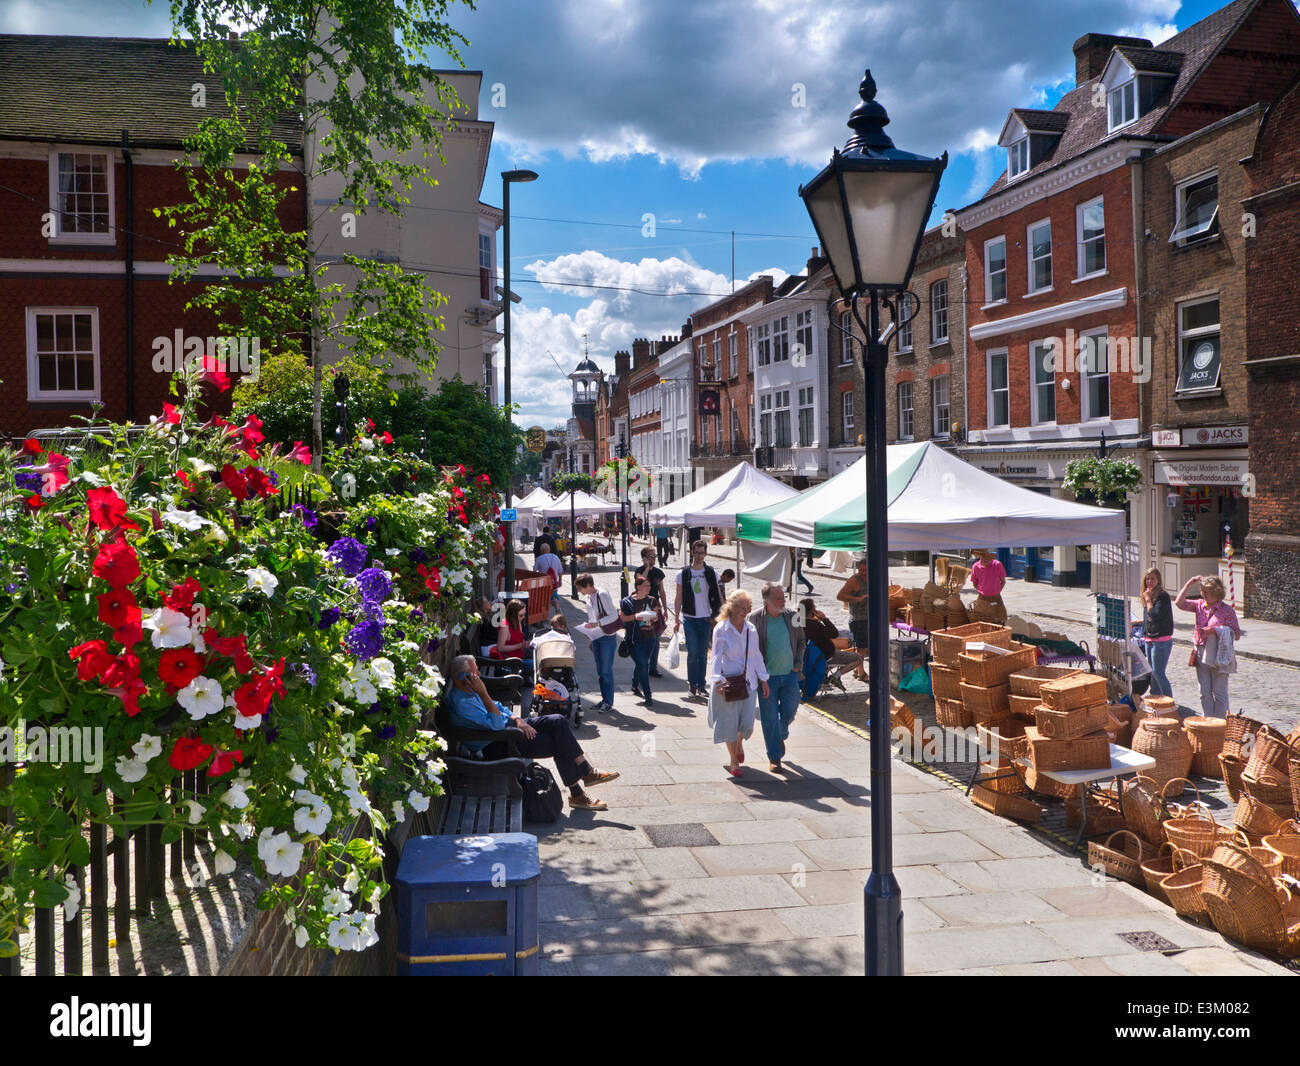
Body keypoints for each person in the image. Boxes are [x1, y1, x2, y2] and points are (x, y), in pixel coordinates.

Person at [448, 655, 617, 811]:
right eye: (475, 671)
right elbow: (497, 724)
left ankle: (586, 773)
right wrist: (484, 693)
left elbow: (498, 707)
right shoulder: (464, 701)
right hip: (497, 743)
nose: (478, 673)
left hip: (509, 726)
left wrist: (518, 720)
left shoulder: (469, 691)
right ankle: (578, 792)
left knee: (558, 720)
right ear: (465, 678)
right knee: (558, 742)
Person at [708, 590, 769, 778]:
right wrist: (718, 680)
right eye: (743, 608)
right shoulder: (721, 629)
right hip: (728, 682)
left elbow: (756, 655)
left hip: (749, 681)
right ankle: (733, 760)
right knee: (729, 723)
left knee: (747, 723)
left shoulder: (751, 629)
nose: (746, 611)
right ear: (732, 608)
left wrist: (764, 679)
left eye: (748, 608)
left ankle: (739, 742)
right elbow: (716, 656)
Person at [750, 583, 805, 773]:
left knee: (790, 711)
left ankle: (780, 733)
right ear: (767, 601)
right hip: (767, 678)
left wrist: (798, 665)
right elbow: (751, 648)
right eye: (778, 599)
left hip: (790, 675)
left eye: (784, 597)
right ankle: (774, 757)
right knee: (769, 718)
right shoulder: (755, 619)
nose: (783, 601)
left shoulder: (793, 616)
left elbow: (801, 641)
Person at [1174, 574, 1241, 718]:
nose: (1203, 594)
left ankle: (1221, 724)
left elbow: (1236, 634)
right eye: (1202, 591)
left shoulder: (1227, 611)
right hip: (1201, 652)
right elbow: (1179, 603)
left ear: (1216, 592)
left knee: (1219, 692)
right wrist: (1190, 582)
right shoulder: (1199, 605)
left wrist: (1216, 631)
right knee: (1204, 692)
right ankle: (1208, 722)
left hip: (1219, 654)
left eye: (1207, 592)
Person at [674, 540, 723, 698]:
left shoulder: (710, 573)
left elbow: (718, 594)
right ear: (692, 553)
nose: (700, 556)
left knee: (703, 653)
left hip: (706, 619)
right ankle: (692, 684)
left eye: (703, 553)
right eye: (697, 552)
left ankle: (701, 685)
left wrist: (724, 613)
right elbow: (678, 596)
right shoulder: (683, 574)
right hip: (689, 618)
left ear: (706, 554)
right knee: (693, 652)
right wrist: (676, 618)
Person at [575, 575, 620, 713]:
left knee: (606, 671)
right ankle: (604, 699)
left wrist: (597, 624)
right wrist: (591, 637)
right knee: (600, 671)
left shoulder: (602, 594)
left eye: (580, 588)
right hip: (597, 637)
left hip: (607, 636)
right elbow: (592, 617)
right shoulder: (588, 597)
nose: (579, 591)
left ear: (588, 585)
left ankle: (608, 702)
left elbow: (613, 615)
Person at [620, 573, 664, 706]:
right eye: (646, 585)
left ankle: (634, 685)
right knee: (644, 665)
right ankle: (648, 695)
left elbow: (656, 617)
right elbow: (623, 618)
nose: (649, 587)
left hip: (650, 637)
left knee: (642, 662)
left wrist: (651, 616)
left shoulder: (652, 600)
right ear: (638, 587)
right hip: (634, 639)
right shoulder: (627, 601)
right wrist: (636, 616)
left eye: (649, 585)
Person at [800, 598, 861, 692]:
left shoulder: (798, 624)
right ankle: (835, 677)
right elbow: (834, 633)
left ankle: (825, 677)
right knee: (858, 659)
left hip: (807, 657)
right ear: (813, 611)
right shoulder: (815, 625)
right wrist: (824, 619)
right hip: (825, 656)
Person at [1140, 568, 1174, 699]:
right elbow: (1148, 616)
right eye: (1147, 579)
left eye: (1152, 578)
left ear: (1158, 580)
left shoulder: (1162, 596)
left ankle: (1169, 700)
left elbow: (1155, 614)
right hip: (1149, 639)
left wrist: (1148, 600)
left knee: (1158, 673)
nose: (1149, 581)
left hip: (1161, 640)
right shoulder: (1149, 594)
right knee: (1152, 673)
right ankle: (1155, 699)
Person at [835, 553, 871, 680]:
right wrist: (857, 598)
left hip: (868, 618)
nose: (863, 573)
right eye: (861, 570)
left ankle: (857, 670)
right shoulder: (854, 580)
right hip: (858, 619)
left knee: (863, 646)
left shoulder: (872, 577)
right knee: (861, 647)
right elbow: (840, 596)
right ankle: (861, 673)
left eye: (866, 570)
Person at [634, 546, 667, 677]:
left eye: (654, 556)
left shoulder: (658, 573)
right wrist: (647, 567)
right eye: (650, 556)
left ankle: (653, 667)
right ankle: (643, 665)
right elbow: (640, 583)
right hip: (642, 606)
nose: (653, 558)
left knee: (656, 637)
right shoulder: (639, 571)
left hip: (655, 606)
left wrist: (664, 608)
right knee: (644, 636)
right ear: (644, 558)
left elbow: (662, 591)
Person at [970, 548, 1008, 623]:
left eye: (987, 559)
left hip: (996, 597)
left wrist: (997, 591)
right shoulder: (975, 566)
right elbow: (974, 583)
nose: (985, 561)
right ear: (980, 557)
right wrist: (981, 591)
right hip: (982, 597)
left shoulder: (997, 565)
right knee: (981, 618)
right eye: (983, 559)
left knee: (1000, 617)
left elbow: (1003, 581)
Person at [535, 542, 565, 611]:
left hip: (543, 583)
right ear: (549, 550)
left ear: (541, 550)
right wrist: (560, 580)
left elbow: (534, 570)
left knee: (543, 597)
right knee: (554, 595)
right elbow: (560, 571)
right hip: (554, 581)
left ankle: (544, 613)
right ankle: (557, 607)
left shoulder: (539, 558)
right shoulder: (556, 557)